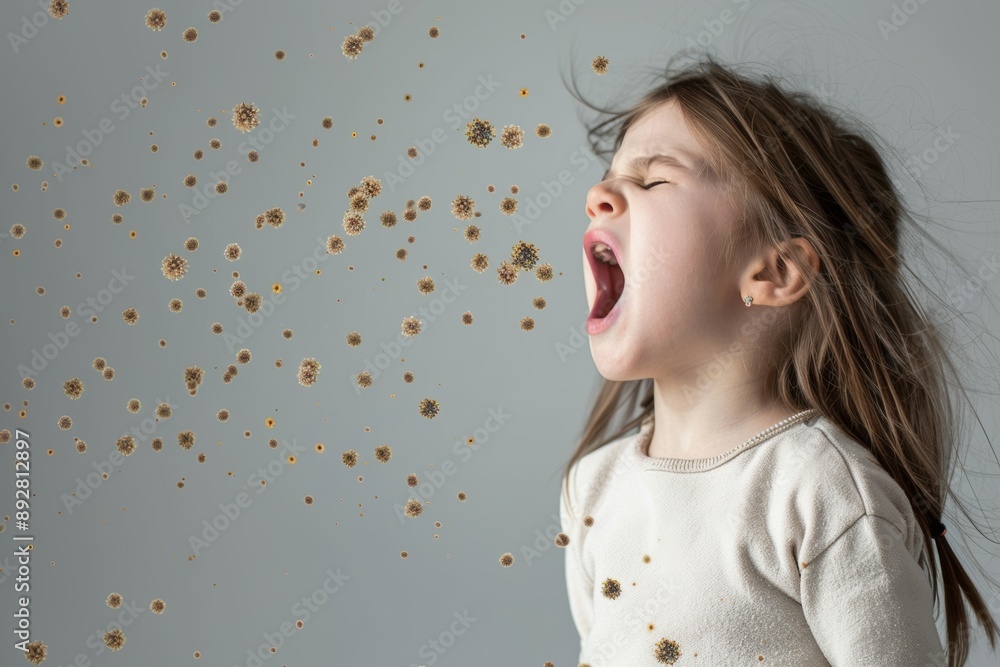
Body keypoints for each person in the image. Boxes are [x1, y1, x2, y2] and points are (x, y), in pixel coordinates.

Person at [561, 52, 999, 667]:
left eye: (654, 181)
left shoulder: (820, 492)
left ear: (775, 272)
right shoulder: (593, 488)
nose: (598, 195)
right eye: (609, 177)